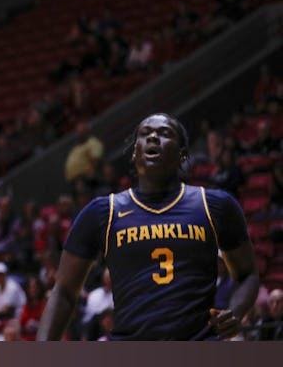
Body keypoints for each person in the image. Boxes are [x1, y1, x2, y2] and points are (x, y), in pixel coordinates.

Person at [38, 113, 259, 340]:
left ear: (183, 154)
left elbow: (248, 273)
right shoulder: (103, 211)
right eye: (145, 134)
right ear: (135, 152)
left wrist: (236, 311)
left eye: (165, 133)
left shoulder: (215, 205)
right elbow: (64, 292)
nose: (153, 137)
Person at [63, 121, 105, 185]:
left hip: (86, 180)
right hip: (73, 181)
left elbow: (96, 161)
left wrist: (90, 175)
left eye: (82, 131)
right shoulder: (76, 147)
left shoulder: (93, 143)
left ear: (87, 131)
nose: (80, 134)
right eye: (78, 132)